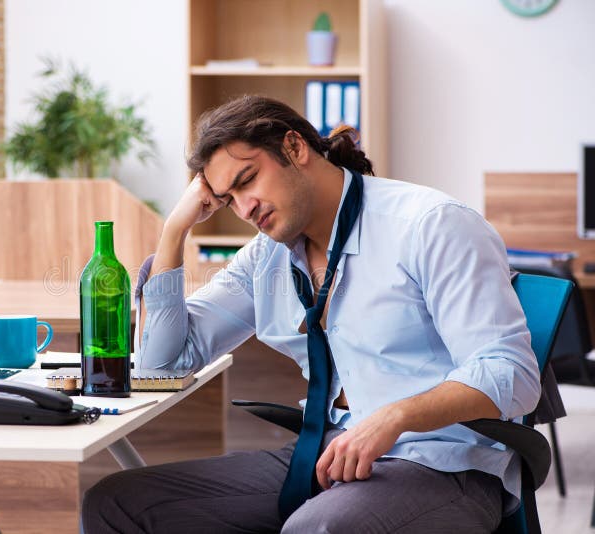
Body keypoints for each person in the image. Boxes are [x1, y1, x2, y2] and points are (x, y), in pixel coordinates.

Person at [82, 95, 540, 533]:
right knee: (117, 505)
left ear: (295, 147)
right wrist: (174, 230)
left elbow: (511, 371)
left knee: (317, 528)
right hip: (327, 453)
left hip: (442, 461)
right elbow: (162, 366)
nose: (244, 208)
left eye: (246, 181)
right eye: (227, 199)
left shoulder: (430, 224)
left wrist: (394, 417)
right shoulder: (267, 257)